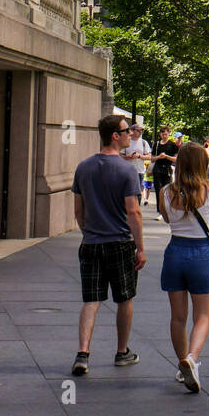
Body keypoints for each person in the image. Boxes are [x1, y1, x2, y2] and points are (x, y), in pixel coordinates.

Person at [71, 114, 146, 375]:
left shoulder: (83, 167)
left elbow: (78, 210)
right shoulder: (126, 170)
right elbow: (133, 212)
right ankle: (122, 351)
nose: (130, 135)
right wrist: (140, 248)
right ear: (115, 136)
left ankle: (83, 354)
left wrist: (88, 232)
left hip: (91, 243)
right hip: (120, 243)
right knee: (124, 298)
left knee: (91, 300)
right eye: (126, 131)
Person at [157, 142, 209, 393]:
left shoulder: (165, 192)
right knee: (202, 316)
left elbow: (166, 218)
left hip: (175, 253)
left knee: (177, 317)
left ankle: (182, 363)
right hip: (201, 255)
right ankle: (192, 359)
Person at [150, 125, 179, 221]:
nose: (164, 136)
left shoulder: (172, 145)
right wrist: (159, 157)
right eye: (163, 134)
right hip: (157, 168)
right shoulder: (157, 144)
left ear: (169, 134)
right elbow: (152, 158)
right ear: (160, 134)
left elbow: (176, 159)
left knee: (166, 190)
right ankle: (160, 211)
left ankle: (167, 210)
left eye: (166, 134)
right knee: (158, 190)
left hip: (167, 168)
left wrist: (166, 156)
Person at [122, 123, 151, 204]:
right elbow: (120, 155)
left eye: (141, 131)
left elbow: (149, 156)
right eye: (138, 130)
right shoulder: (127, 141)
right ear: (132, 131)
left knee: (138, 191)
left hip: (139, 170)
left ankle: (137, 206)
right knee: (128, 190)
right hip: (127, 170)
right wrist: (128, 157)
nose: (140, 132)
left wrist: (139, 156)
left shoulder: (144, 142)